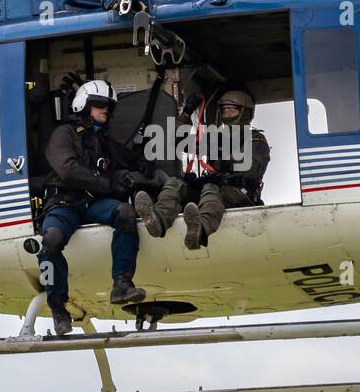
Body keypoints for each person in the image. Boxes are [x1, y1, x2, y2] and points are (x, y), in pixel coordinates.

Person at [39, 79, 146, 335]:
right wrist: (107, 184)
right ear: (84, 106)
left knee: (125, 213)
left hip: (92, 203)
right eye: (99, 105)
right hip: (64, 202)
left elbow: (128, 159)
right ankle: (57, 306)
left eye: (107, 106)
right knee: (51, 240)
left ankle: (122, 283)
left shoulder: (103, 142)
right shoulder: (64, 134)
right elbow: (67, 169)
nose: (105, 110)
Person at [134, 86, 271, 250]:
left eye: (231, 110)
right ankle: (158, 220)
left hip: (239, 191)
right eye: (224, 110)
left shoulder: (256, 140)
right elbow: (180, 141)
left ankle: (199, 230)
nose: (226, 114)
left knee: (211, 188)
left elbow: (252, 169)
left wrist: (225, 162)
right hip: (214, 188)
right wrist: (186, 113)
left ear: (245, 113)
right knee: (175, 184)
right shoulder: (218, 137)